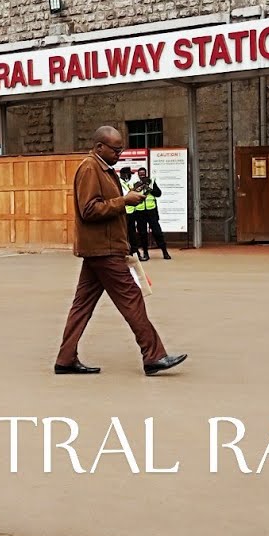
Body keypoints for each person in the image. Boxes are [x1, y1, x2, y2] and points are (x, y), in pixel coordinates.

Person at [55, 126, 188, 376]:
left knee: (82, 305)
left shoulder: (103, 169)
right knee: (132, 299)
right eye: (116, 149)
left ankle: (65, 359)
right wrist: (124, 201)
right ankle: (153, 356)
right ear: (99, 147)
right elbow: (89, 210)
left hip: (102, 248)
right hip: (103, 250)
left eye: (121, 149)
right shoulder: (90, 168)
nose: (119, 153)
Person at [133, 166, 170, 261]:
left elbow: (158, 193)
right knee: (142, 233)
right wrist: (139, 188)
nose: (142, 176)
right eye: (140, 174)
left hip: (151, 211)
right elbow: (132, 195)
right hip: (140, 212)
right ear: (138, 175)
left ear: (146, 174)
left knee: (157, 232)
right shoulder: (136, 184)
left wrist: (149, 189)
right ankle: (145, 253)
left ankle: (164, 251)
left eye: (143, 174)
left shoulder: (151, 183)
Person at [119, 167, 138, 257]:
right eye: (129, 174)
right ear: (125, 175)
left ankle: (134, 252)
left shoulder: (126, 183)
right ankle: (129, 252)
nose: (130, 176)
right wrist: (134, 191)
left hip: (131, 212)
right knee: (126, 234)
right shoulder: (119, 183)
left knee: (132, 233)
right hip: (124, 213)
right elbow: (126, 196)